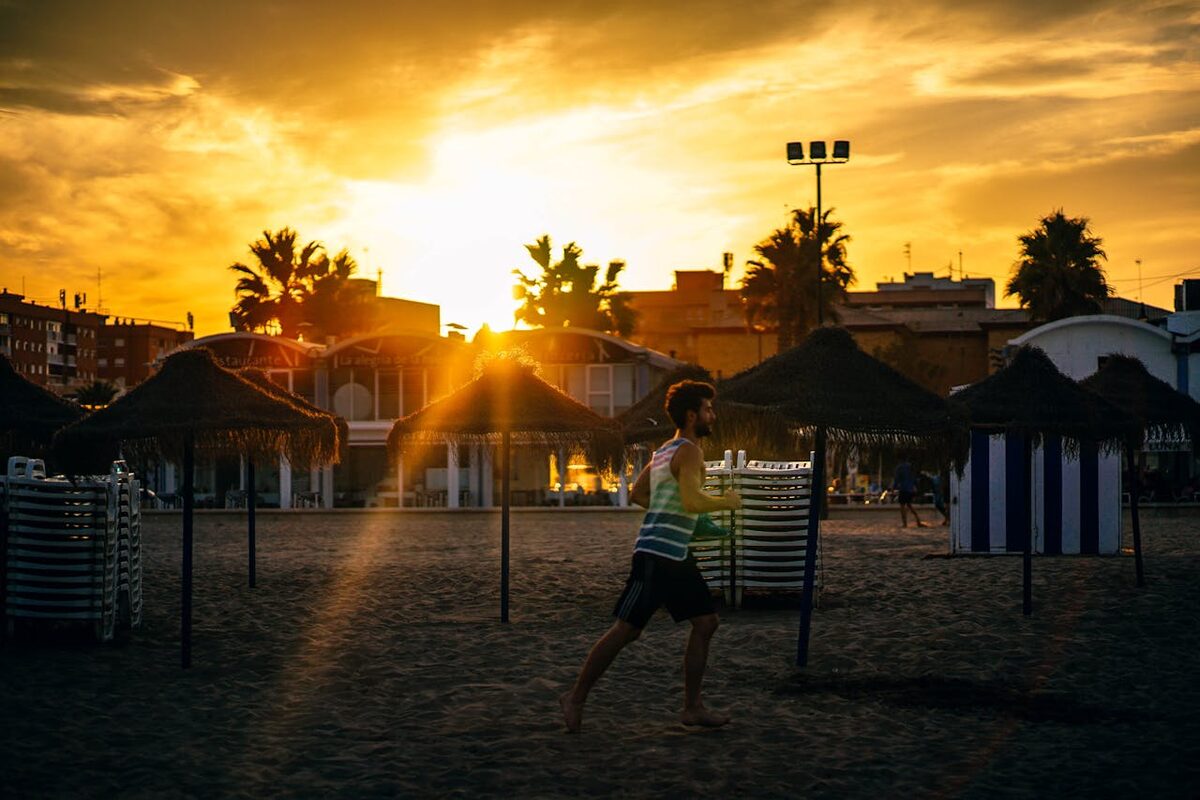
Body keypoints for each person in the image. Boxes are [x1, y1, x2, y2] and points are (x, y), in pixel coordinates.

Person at [559, 380, 742, 733]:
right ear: (692, 415)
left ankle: (692, 707)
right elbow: (691, 501)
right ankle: (575, 697)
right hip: (658, 555)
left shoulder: (664, 451)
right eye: (707, 409)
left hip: (675, 553)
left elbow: (641, 493)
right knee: (626, 630)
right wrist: (726, 502)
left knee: (706, 623)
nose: (712, 415)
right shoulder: (689, 451)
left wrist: (679, 518)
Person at [892, 456, 926, 528]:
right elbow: (914, 478)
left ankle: (905, 523)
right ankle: (918, 521)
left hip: (903, 489)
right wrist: (916, 487)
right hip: (910, 489)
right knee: (909, 505)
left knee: (902, 506)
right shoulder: (910, 467)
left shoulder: (899, 468)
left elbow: (897, 479)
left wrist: (893, 488)